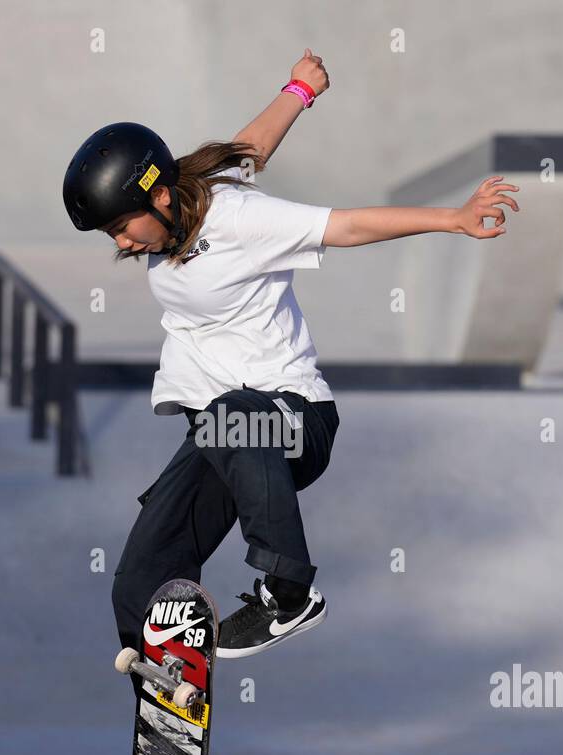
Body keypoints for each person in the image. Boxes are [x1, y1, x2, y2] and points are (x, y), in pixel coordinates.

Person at [63, 52, 519, 670]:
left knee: (231, 413)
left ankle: (288, 594)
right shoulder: (200, 193)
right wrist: (300, 88)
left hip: (294, 421)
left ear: (160, 196)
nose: (121, 243)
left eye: (122, 226)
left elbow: (349, 226)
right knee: (144, 574)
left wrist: (455, 220)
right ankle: (157, 671)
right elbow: (247, 150)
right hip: (226, 438)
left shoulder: (240, 218)